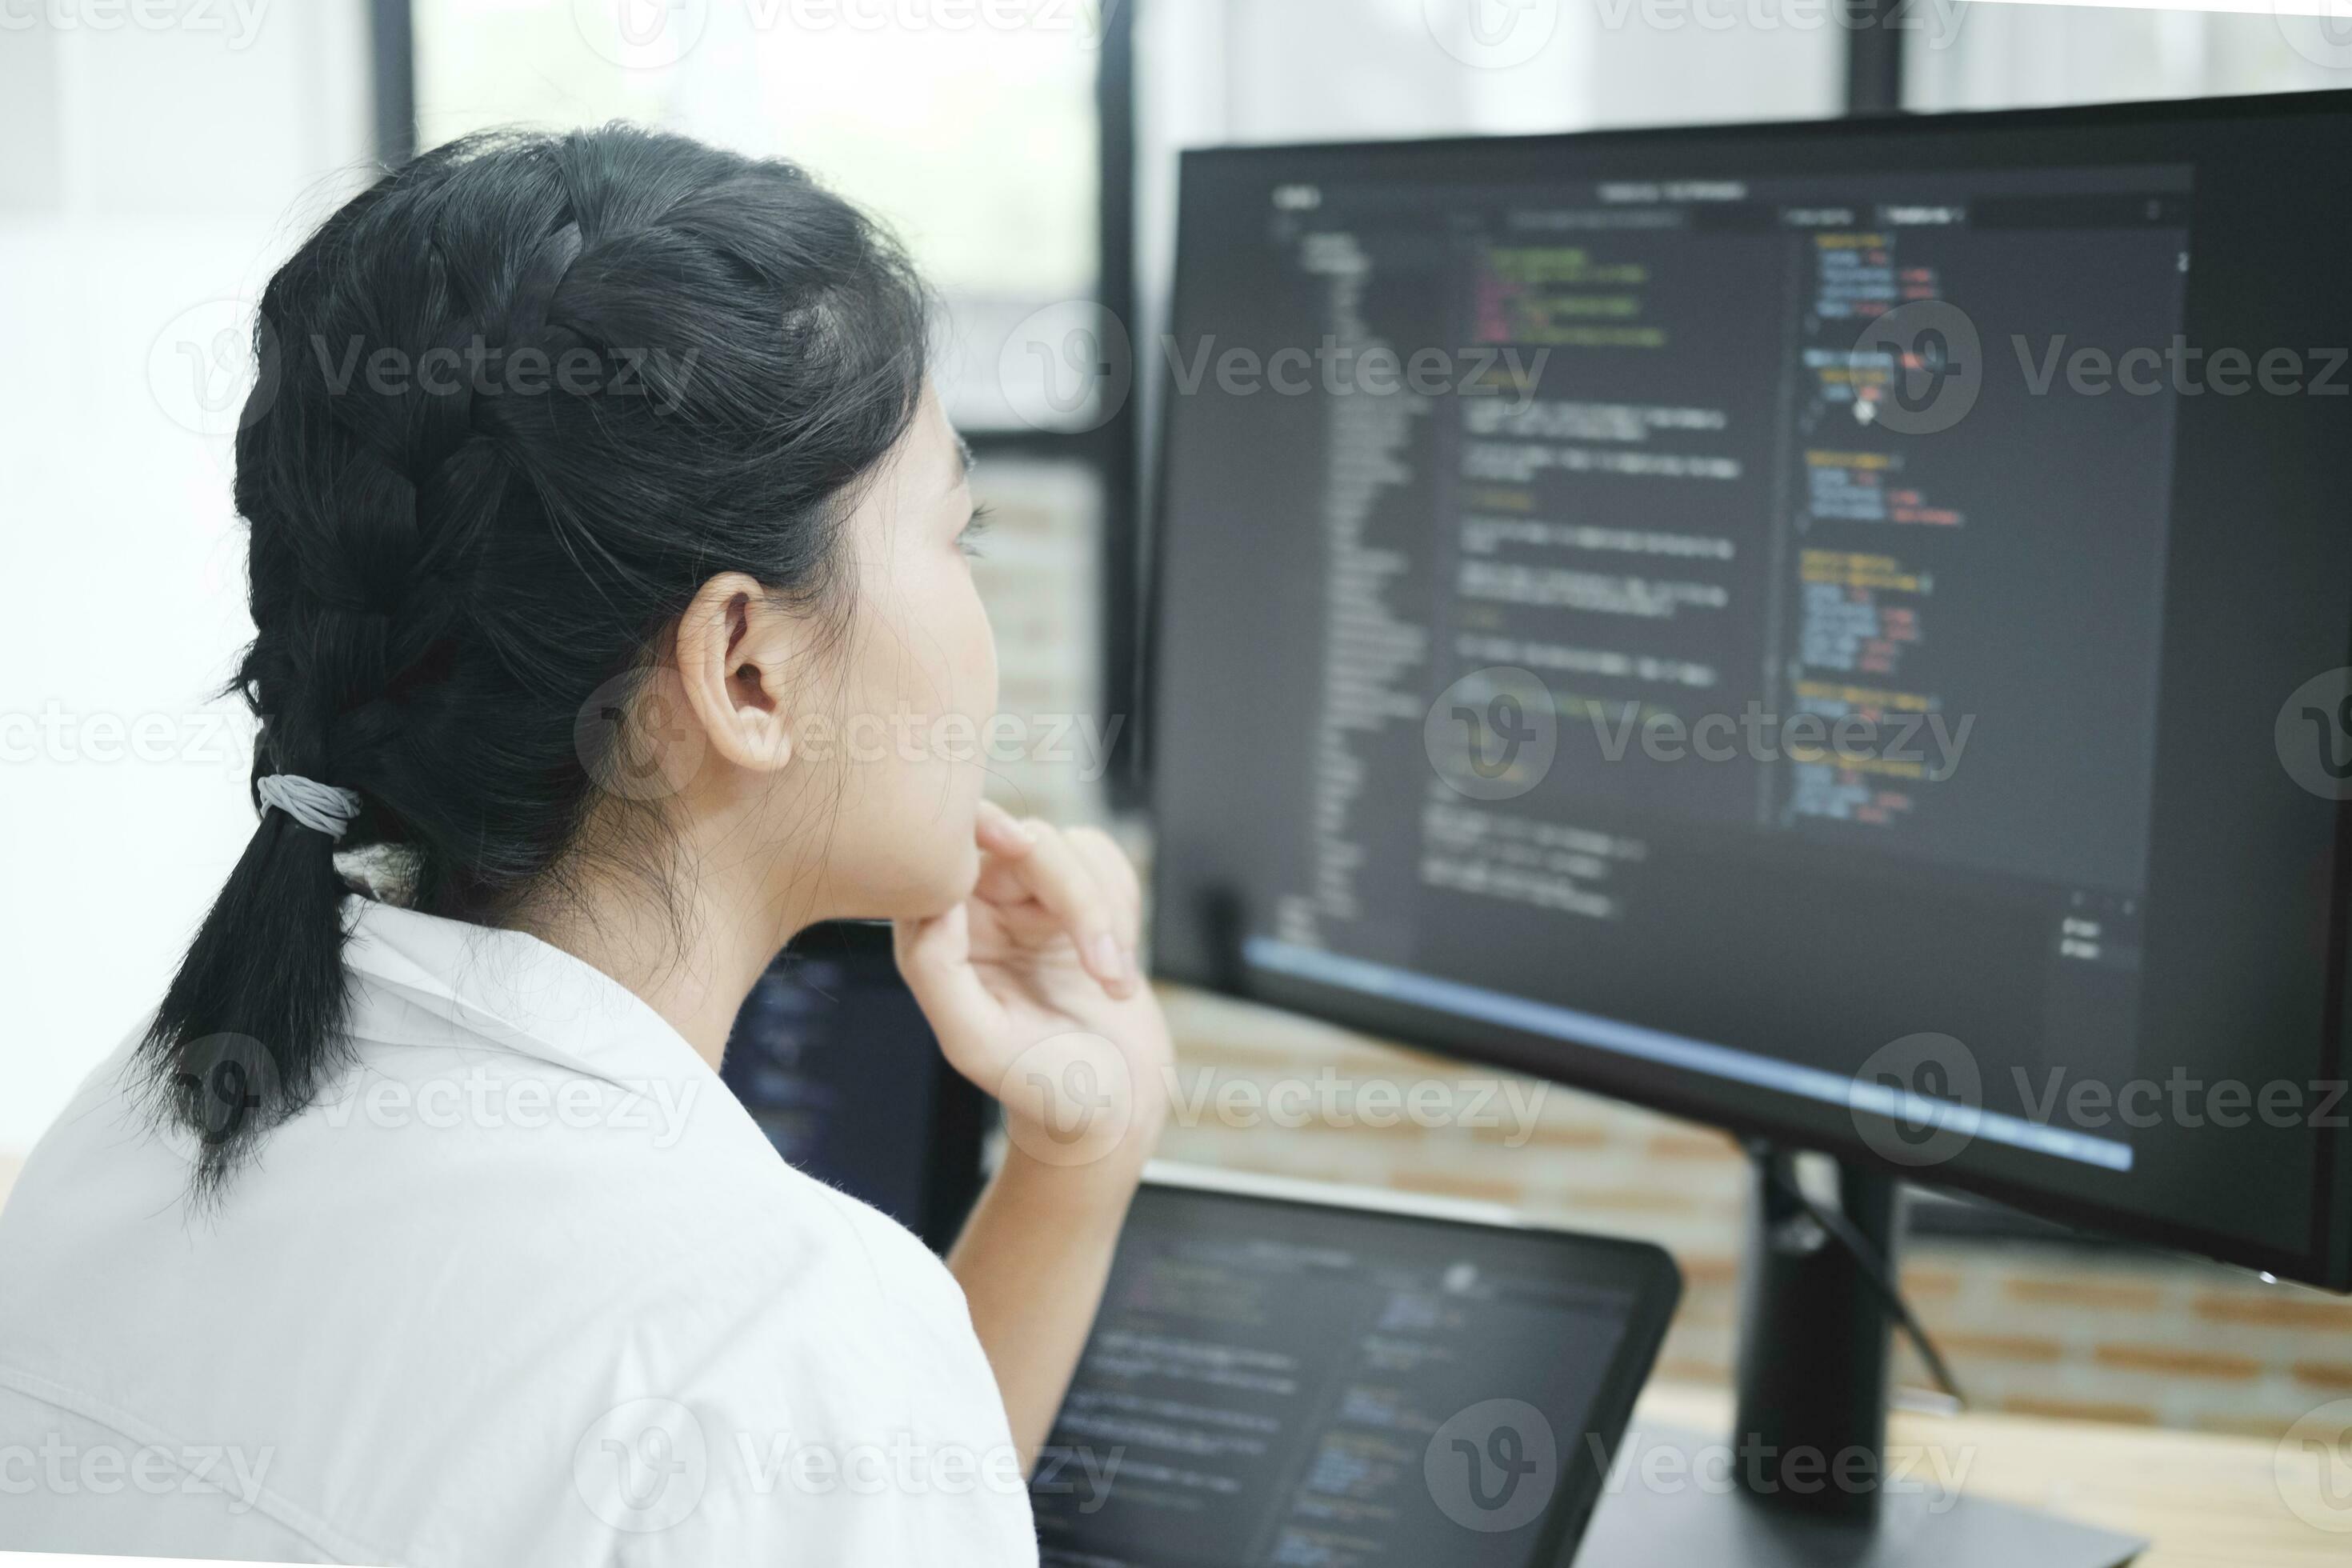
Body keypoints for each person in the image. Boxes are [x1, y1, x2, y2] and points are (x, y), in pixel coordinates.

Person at [0, 126, 1170, 1566]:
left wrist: (1073, 1160)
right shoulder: (766, 1331)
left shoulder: (137, 1121)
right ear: (745, 669)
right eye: (960, 537)